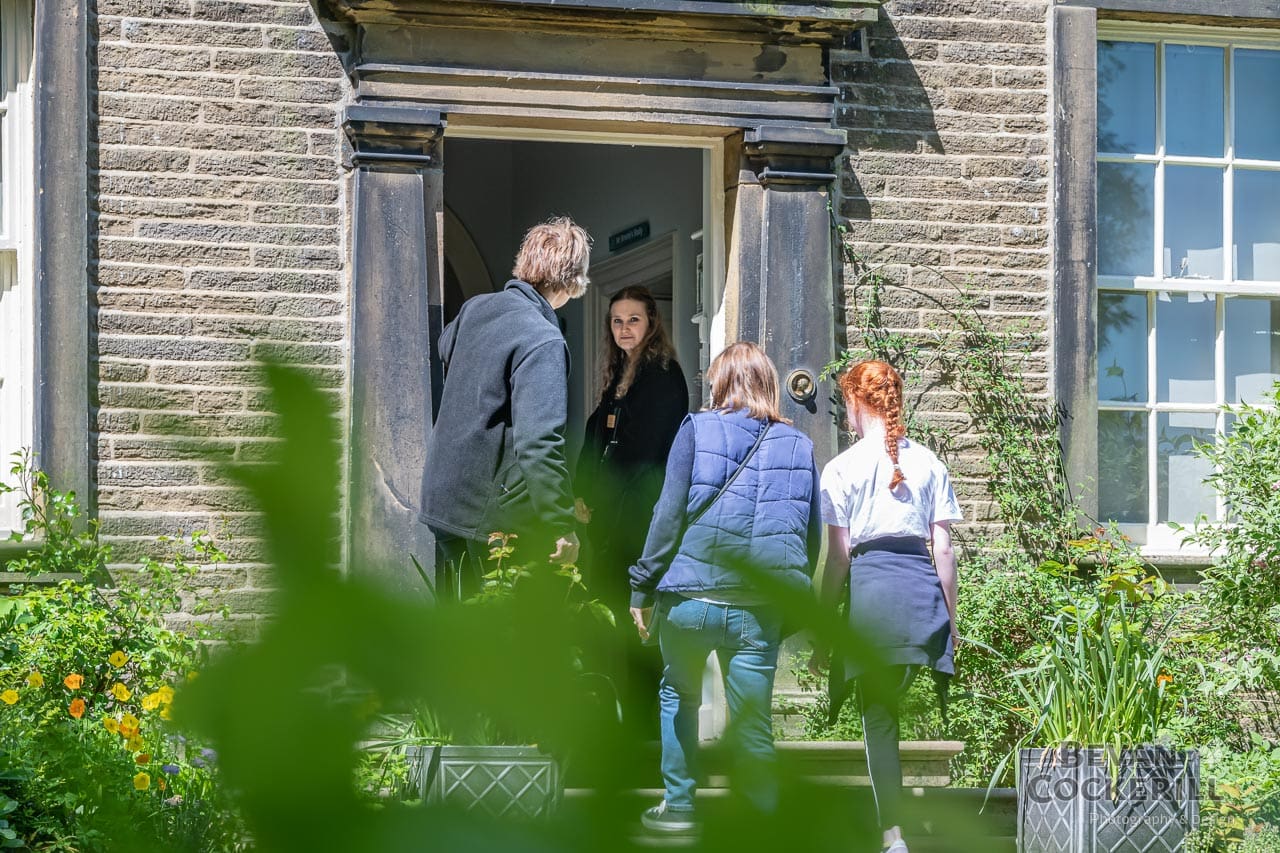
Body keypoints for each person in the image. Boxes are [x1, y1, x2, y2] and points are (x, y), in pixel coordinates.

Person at [628, 341, 821, 833]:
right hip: (758, 609)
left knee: (678, 696)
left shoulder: (696, 428)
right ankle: (759, 822)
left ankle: (679, 807)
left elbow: (667, 515)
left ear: (722, 382)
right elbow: (810, 534)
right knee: (753, 721)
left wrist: (641, 588)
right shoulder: (799, 445)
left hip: (690, 599)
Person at [809, 360, 962, 853]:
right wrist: (951, 622)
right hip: (920, 596)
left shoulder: (840, 468)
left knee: (878, 721)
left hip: (874, 598)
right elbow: (943, 551)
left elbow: (838, 557)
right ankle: (894, 830)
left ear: (856, 402)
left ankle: (892, 836)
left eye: (846, 405)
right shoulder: (931, 463)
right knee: (889, 708)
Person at [419, 216, 592, 599]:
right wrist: (562, 525)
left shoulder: (476, 309)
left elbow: (444, 349)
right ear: (571, 279)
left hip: (443, 499)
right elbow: (539, 442)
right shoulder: (542, 338)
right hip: (492, 518)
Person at [576, 285, 689, 613]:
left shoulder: (664, 375)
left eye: (633, 320)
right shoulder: (619, 373)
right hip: (611, 513)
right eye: (616, 321)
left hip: (639, 513)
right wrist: (581, 490)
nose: (623, 329)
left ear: (651, 323)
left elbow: (642, 451)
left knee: (626, 607)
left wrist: (599, 496)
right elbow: (595, 435)